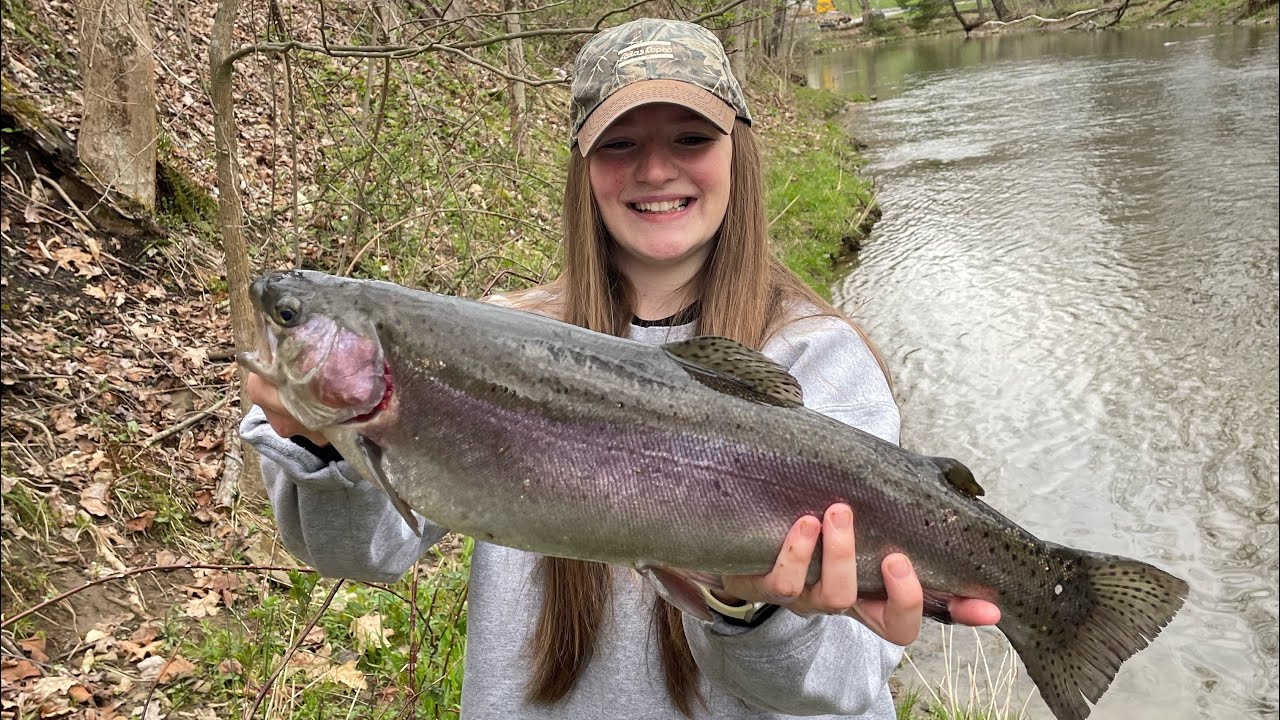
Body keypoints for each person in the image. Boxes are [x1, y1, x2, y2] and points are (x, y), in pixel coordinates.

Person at [240, 17, 1000, 719]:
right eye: (620, 144)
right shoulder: (495, 343)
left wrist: (753, 609)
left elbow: (841, 688)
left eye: (691, 139)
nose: (656, 170)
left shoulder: (820, 357)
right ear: (583, 167)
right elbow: (356, 555)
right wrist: (316, 444)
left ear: (740, 153)